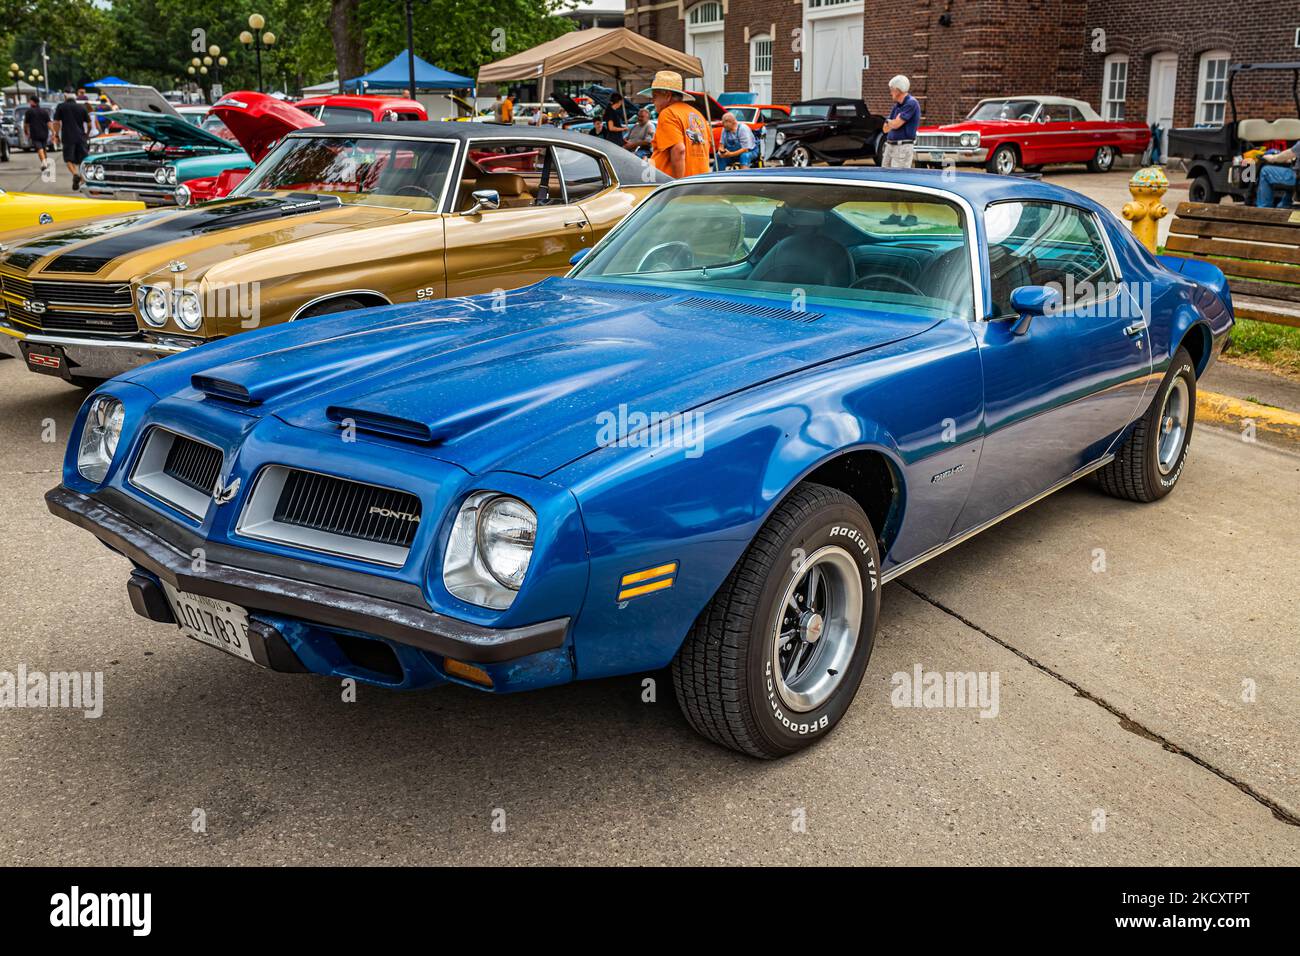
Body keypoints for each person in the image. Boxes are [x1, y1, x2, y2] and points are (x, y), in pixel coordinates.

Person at [638, 70, 709, 179]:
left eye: (654, 96)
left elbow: (679, 150)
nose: (652, 101)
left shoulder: (668, 113)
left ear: (668, 95)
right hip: (699, 181)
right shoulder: (697, 114)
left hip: (676, 186)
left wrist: (677, 184)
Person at [880, 75, 921, 226]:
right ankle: (895, 214)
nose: (890, 92)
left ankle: (912, 215)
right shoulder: (897, 105)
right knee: (889, 181)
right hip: (890, 145)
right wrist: (891, 122)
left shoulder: (911, 103)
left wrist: (891, 122)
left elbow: (896, 124)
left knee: (902, 181)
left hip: (903, 147)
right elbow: (885, 128)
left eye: (891, 89)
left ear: (897, 90)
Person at [53, 88, 92, 190]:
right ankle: (83, 182)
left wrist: (56, 134)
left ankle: (75, 174)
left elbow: (56, 122)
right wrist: (86, 134)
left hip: (68, 137)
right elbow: (89, 124)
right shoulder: (82, 107)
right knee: (83, 160)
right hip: (80, 137)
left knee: (68, 159)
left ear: (65, 96)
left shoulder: (61, 107)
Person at [1254, 142, 1298, 208]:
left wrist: (1273, 158)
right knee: (1280, 206)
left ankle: (1264, 208)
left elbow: (1291, 152)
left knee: (1266, 171)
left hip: (1297, 177)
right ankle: (1285, 204)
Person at [22, 96, 51, 173]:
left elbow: (26, 124)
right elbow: (49, 122)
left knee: (39, 148)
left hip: (35, 133)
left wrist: (26, 131)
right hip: (45, 133)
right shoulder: (44, 111)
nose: (29, 103)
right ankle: (45, 163)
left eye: (30, 101)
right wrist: (53, 131)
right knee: (43, 148)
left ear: (33, 102)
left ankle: (44, 163)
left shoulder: (29, 112)